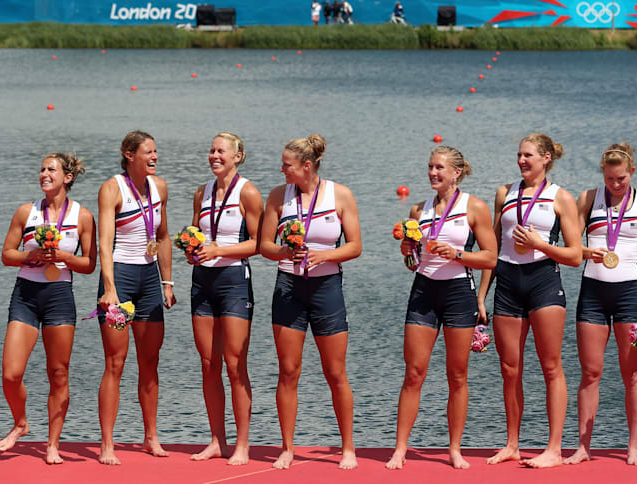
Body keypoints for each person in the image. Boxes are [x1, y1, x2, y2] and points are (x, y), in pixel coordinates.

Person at [385, 146, 497, 470]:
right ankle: (400, 449)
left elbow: (490, 257)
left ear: (456, 172)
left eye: (439, 168)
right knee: (414, 373)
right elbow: (411, 263)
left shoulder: (473, 207)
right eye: (430, 167)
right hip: (423, 291)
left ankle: (455, 449)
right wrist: (408, 251)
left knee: (457, 375)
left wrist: (457, 254)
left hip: (459, 292)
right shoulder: (418, 210)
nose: (433, 173)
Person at [477, 133, 582, 467]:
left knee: (551, 367)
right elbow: (492, 249)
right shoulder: (504, 194)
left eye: (528, 155)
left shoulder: (560, 198)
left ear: (546, 158)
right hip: (507, 283)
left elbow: (576, 255)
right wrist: (481, 296)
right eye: (519, 155)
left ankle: (554, 449)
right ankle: (512, 444)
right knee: (510, 369)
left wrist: (541, 244)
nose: (521, 161)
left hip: (543, 283)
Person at [259, 134, 361, 470]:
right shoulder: (278, 195)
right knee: (288, 371)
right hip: (288, 286)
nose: (281, 169)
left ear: (306, 166)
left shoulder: (340, 195)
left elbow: (355, 246)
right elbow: (264, 246)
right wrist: (285, 252)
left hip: (326, 287)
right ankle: (287, 447)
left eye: (286, 165)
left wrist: (325, 255)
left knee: (335, 372)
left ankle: (348, 448)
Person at [563, 144, 637, 466]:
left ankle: (633, 447)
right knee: (590, 372)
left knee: (631, 373)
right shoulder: (588, 199)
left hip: (629, 295)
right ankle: (582, 447)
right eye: (609, 178)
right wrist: (582, 250)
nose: (615, 184)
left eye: (620, 178)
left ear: (631, 172)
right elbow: (571, 247)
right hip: (592, 293)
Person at [0, 153, 96, 464]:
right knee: (11, 374)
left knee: (58, 373)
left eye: (50, 169)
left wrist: (63, 258)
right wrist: (33, 255)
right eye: (41, 169)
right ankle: (21, 422)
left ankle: (52, 444)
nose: (43, 174)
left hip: (59, 296)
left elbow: (89, 264)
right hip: (25, 295)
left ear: (67, 177)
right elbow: (7, 254)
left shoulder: (82, 216)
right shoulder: (26, 212)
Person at [96, 130, 177, 465]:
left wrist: (167, 282)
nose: (155, 157)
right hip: (120, 280)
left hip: (148, 281)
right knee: (116, 363)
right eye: (148, 152)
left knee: (150, 361)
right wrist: (110, 289)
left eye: (156, 151)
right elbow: (104, 243)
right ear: (129, 154)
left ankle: (151, 437)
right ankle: (108, 444)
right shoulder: (112, 188)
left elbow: (163, 235)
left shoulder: (160, 188)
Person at [187, 132, 264, 465]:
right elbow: (193, 234)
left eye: (221, 151)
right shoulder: (201, 193)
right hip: (202, 282)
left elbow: (261, 244)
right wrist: (190, 251)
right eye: (211, 150)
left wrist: (220, 250)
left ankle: (243, 444)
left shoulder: (247, 192)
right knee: (208, 365)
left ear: (237, 155)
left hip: (234, 282)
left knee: (235, 366)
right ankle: (217, 440)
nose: (214, 155)